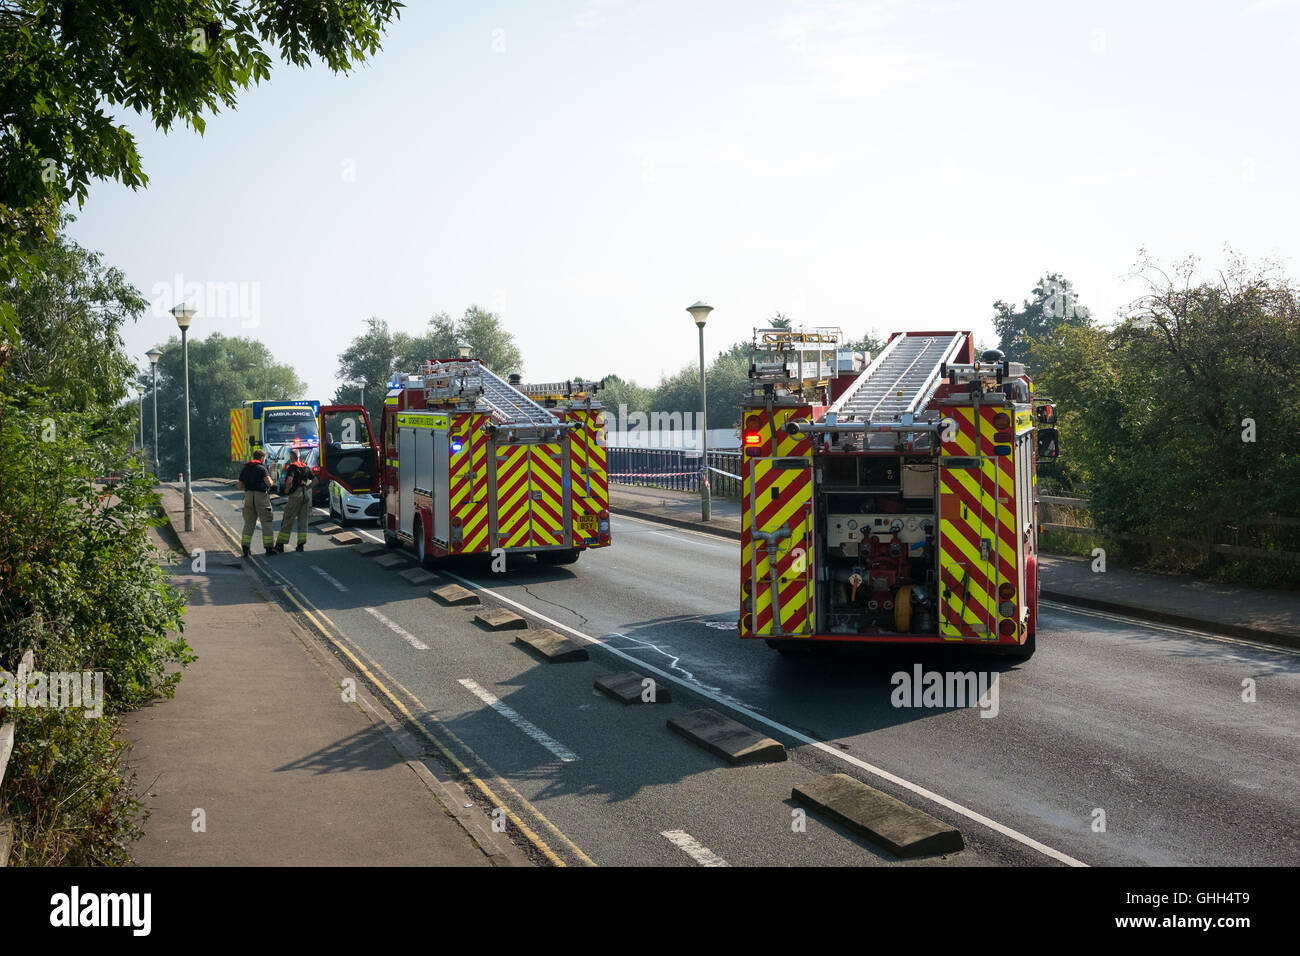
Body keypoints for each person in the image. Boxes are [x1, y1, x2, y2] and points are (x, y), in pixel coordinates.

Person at [237, 449, 276, 557]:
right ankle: (268, 548)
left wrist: (249, 489)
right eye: (264, 458)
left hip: (248, 496)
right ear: (262, 457)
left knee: (249, 522)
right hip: (261, 497)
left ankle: (245, 548)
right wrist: (272, 480)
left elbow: (240, 486)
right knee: (266, 521)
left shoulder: (246, 468)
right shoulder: (261, 468)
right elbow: (269, 483)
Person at [275, 448, 314, 552]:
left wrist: (287, 489)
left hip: (295, 495)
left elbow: (289, 480)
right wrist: (308, 487)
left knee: (288, 519)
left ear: (292, 457)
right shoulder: (305, 467)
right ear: (299, 457)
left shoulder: (292, 467)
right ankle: (300, 545)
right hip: (305, 495)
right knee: (303, 521)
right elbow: (316, 480)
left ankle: (280, 545)